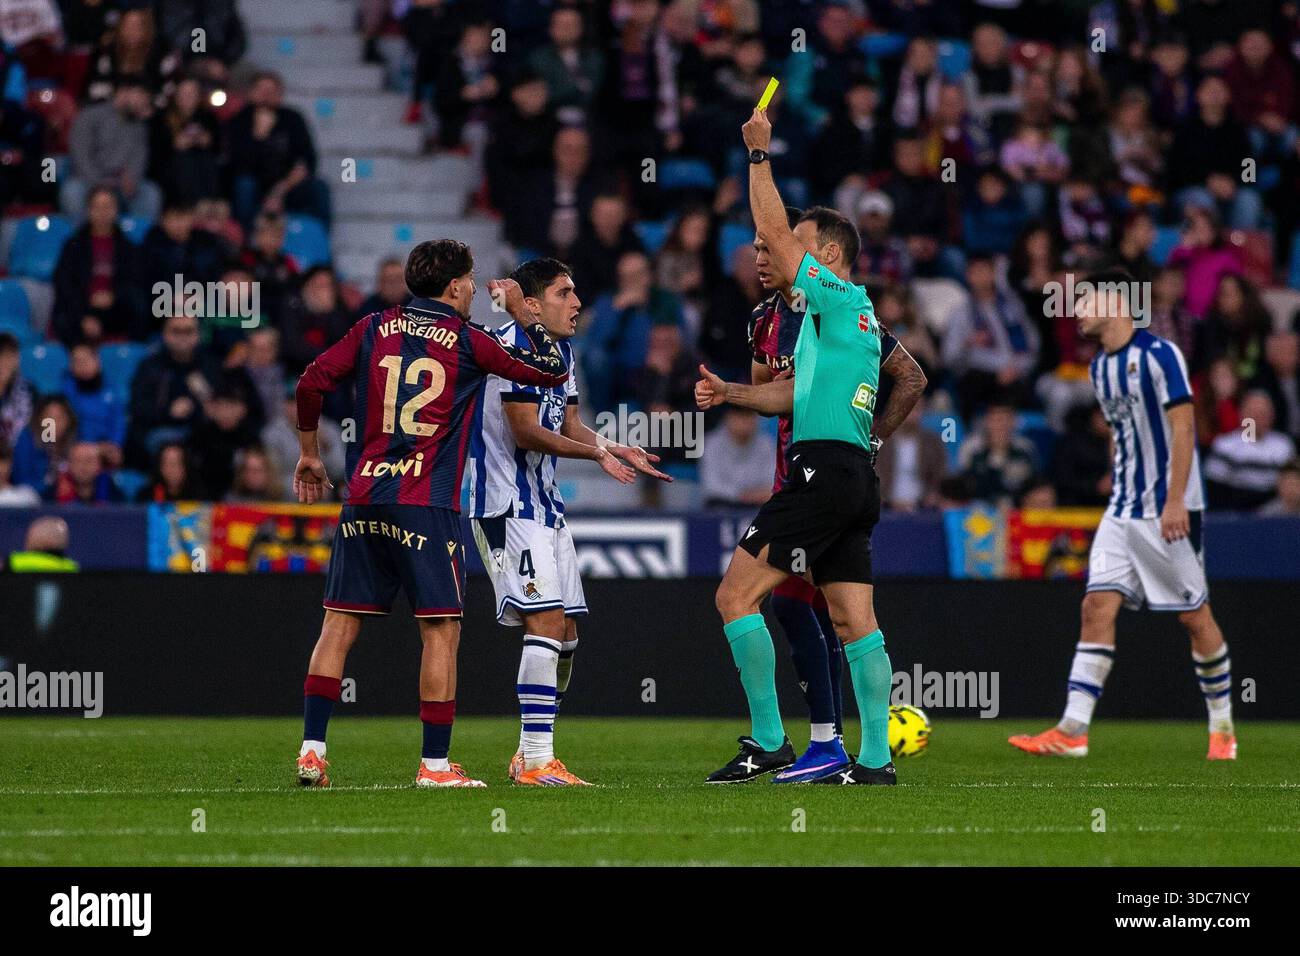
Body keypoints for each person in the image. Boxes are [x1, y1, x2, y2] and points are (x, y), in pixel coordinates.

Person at [692, 107, 926, 786]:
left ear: (825, 256)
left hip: (819, 476)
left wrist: (759, 155)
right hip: (853, 476)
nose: (781, 249)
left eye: (799, 243)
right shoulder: (854, 317)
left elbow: (766, 228)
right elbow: (796, 397)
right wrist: (734, 394)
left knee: (736, 598)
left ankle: (770, 738)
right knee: (856, 619)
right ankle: (873, 762)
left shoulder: (829, 295)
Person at [291, 239, 571, 790]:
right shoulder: (470, 341)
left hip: (365, 496)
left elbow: (309, 382)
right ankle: (436, 767)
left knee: (338, 623)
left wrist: (308, 454)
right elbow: (549, 372)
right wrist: (520, 312)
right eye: (468, 280)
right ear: (454, 286)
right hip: (427, 502)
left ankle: (311, 752)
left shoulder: (373, 327)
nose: (472, 288)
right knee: (440, 632)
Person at [1009, 268, 1237, 763]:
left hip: (1166, 508)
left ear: (1115, 302)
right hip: (1122, 508)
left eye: (1086, 301)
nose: (1077, 311)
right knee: (1096, 607)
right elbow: (1122, 431)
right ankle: (1073, 730)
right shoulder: (1098, 368)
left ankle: (1222, 725)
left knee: (1194, 617)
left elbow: (1183, 430)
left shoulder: (1160, 356)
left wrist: (1175, 500)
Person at [466, 258, 669, 786]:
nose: (577, 302)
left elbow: (571, 423)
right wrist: (594, 459)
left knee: (568, 634)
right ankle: (537, 760)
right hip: (506, 505)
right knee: (547, 623)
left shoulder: (562, 352)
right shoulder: (506, 346)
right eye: (564, 292)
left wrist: (611, 445)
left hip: (547, 507)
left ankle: (526, 753)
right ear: (531, 304)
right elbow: (525, 431)